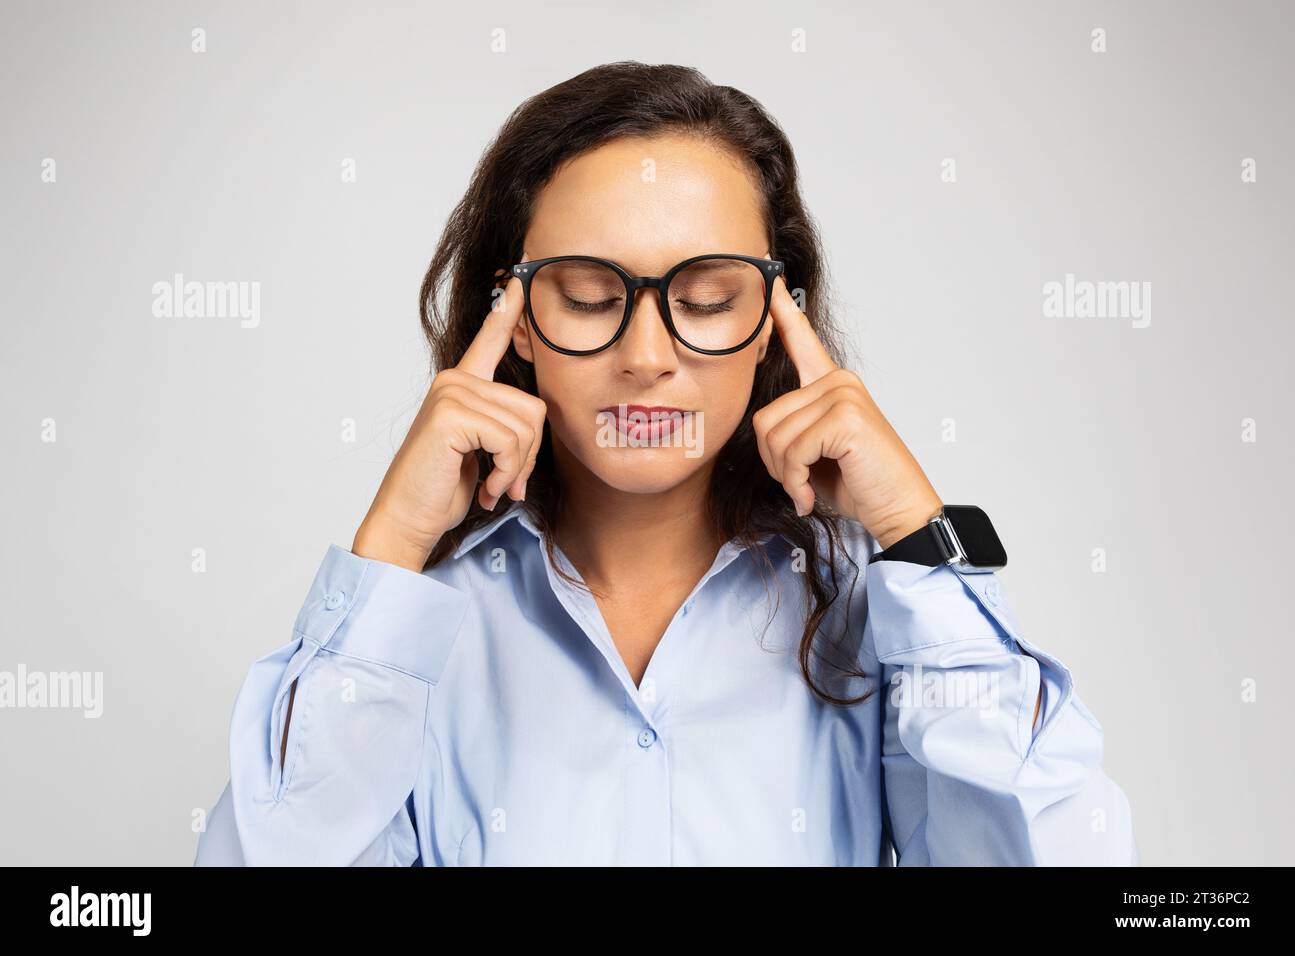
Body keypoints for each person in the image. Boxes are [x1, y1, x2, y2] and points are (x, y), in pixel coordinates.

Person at [194, 61, 1137, 866]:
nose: (647, 356)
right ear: (515, 319)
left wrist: (917, 538)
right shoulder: (415, 632)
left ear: (772, 319)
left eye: (709, 298)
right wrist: (393, 546)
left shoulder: (879, 614)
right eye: (588, 296)